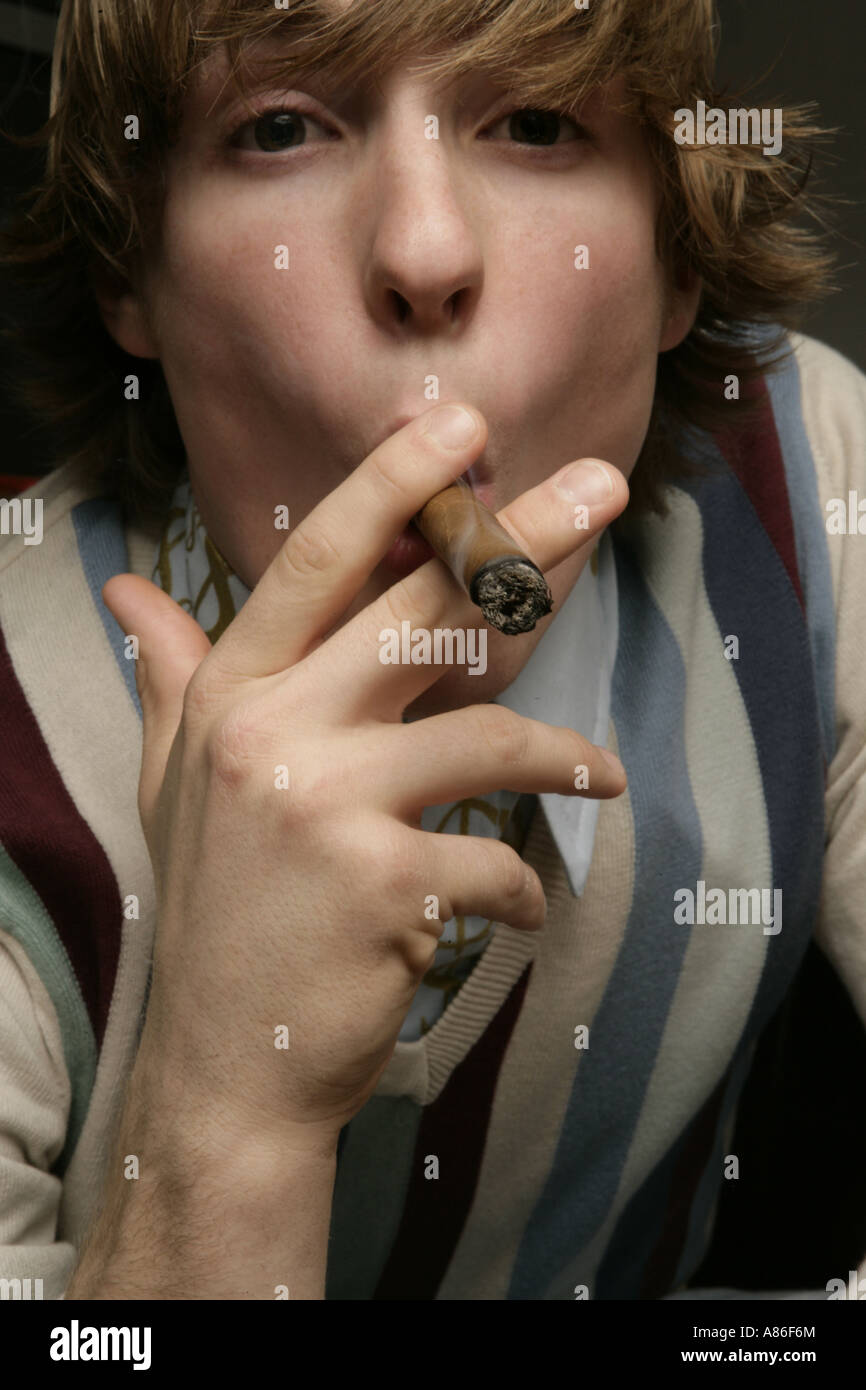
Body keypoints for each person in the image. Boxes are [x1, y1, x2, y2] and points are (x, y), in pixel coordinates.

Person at [0, 0, 863, 1301]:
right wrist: (224, 1127)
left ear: (678, 259)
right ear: (134, 268)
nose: (424, 248)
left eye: (534, 121)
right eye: (280, 127)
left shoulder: (814, 487)